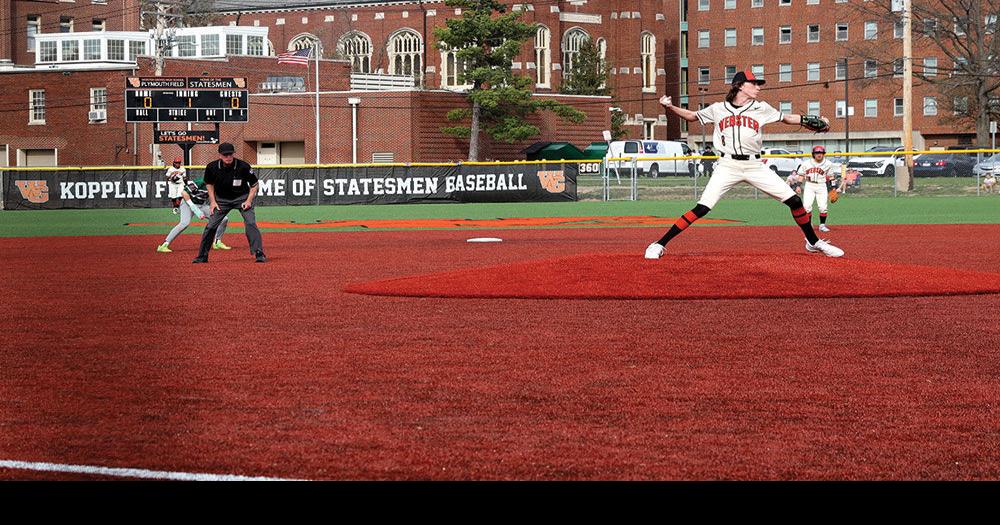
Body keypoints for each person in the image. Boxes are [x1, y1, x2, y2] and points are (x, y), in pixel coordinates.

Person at [645, 69, 844, 259]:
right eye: (754, 83)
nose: (758, 87)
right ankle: (659, 244)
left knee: (794, 201)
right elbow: (692, 116)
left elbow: (786, 118)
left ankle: (813, 241)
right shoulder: (718, 109)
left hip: (755, 165)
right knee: (702, 208)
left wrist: (812, 120)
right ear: (740, 86)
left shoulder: (761, 107)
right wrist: (670, 107)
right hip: (727, 165)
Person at [192, 142, 266, 263]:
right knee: (210, 226)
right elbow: (209, 184)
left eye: (230, 154)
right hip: (221, 200)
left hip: (242, 198)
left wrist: (248, 201)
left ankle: (259, 252)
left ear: (233, 154)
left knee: (251, 223)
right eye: (225, 154)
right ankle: (202, 255)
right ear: (220, 155)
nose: (228, 157)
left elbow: (254, 185)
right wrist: (212, 202)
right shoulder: (212, 167)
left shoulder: (243, 166)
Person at [157, 175, 231, 253]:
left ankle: (217, 242)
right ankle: (164, 245)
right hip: (187, 204)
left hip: (202, 205)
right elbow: (184, 193)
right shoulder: (200, 182)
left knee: (224, 219)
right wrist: (195, 209)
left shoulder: (218, 186)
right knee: (184, 223)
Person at [793, 145, 836, 232]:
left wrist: (833, 188)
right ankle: (809, 225)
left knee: (823, 207)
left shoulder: (828, 164)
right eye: (817, 153)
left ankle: (822, 225)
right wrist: (798, 185)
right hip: (810, 185)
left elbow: (831, 177)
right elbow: (801, 175)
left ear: (823, 154)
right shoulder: (806, 163)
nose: (819, 154)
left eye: (821, 153)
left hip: (822, 186)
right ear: (813, 154)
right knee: (807, 206)